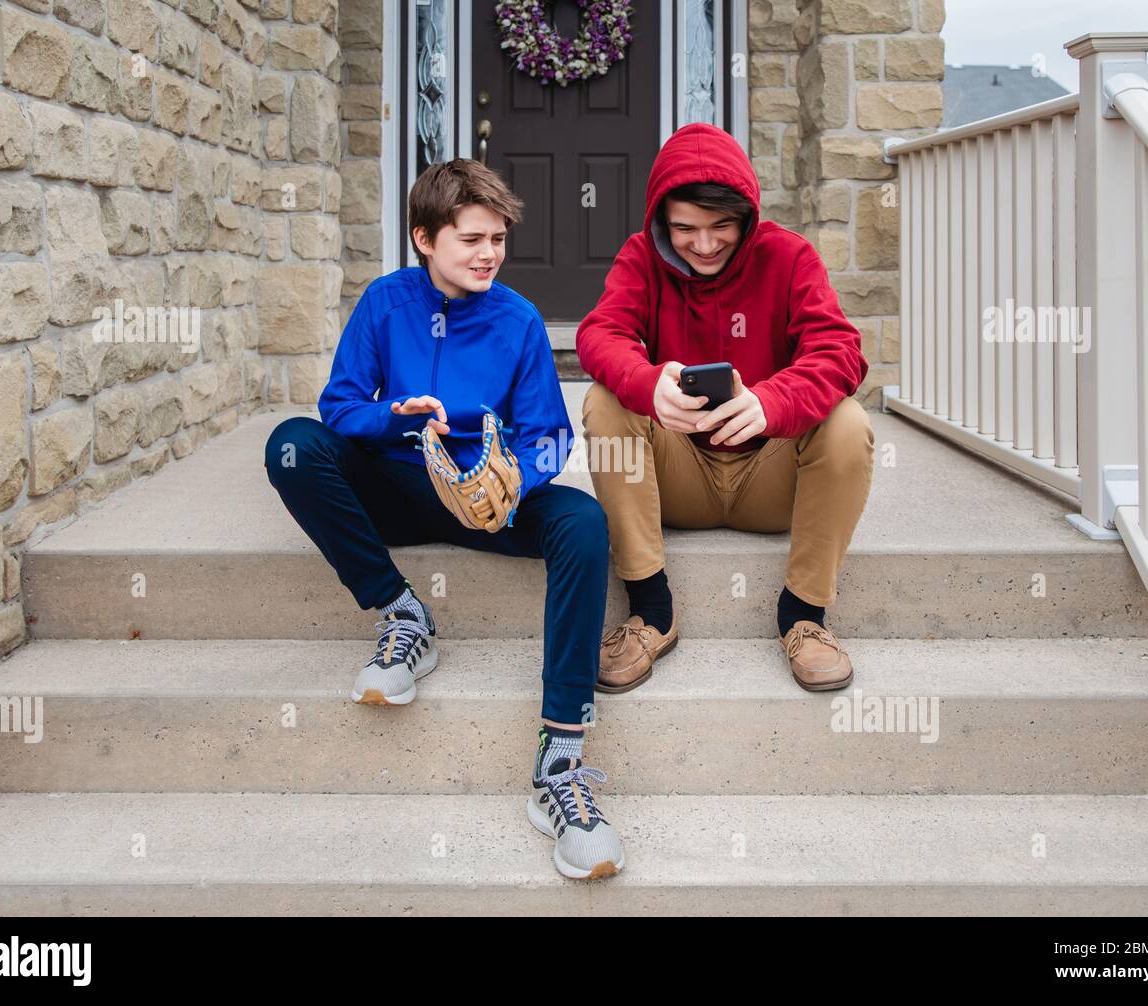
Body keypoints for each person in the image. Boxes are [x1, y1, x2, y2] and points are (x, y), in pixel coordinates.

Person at [263, 159, 624, 881]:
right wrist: (390, 418)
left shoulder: (519, 320)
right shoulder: (384, 302)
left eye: (497, 238)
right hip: (402, 483)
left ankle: (560, 759)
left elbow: (550, 434)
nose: (489, 253)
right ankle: (403, 616)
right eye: (471, 239)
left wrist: (515, 481)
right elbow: (339, 406)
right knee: (294, 448)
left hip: (488, 503)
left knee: (583, 522)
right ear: (425, 238)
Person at [577, 122, 875, 695]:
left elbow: (841, 351)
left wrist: (773, 400)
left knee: (848, 422)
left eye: (722, 227)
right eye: (685, 228)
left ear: (747, 216)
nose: (706, 244)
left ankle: (805, 617)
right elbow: (599, 334)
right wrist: (646, 381)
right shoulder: (640, 258)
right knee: (605, 399)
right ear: (661, 220)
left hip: (774, 480)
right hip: (678, 479)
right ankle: (652, 612)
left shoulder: (789, 257)